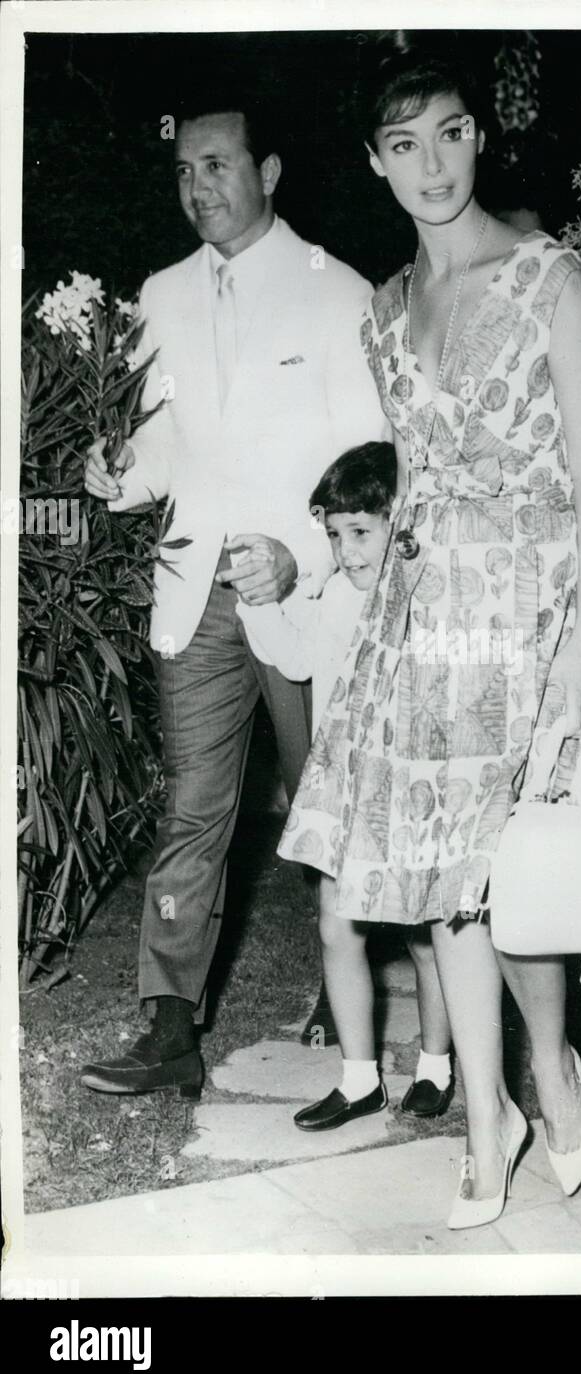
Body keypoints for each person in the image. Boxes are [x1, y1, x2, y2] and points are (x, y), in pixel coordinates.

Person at [277, 44, 581, 1228]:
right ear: (374, 162)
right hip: (429, 623)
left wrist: (578, 667)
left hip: (536, 617)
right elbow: (407, 482)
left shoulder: (550, 277)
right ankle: (487, 1125)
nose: (433, 164)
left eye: (453, 133)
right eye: (404, 144)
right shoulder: (383, 311)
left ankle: (551, 1065)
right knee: (443, 890)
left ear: (481, 135)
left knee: (514, 879)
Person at [80, 91, 388, 1099]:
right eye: (185, 169)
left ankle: (357, 999)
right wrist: (117, 468)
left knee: (323, 801)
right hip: (197, 592)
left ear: (268, 174)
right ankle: (170, 1027)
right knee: (195, 810)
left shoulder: (335, 291)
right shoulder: (160, 294)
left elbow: (371, 463)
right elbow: (165, 440)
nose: (200, 185)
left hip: (305, 600)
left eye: (219, 165)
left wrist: (303, 557)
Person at [249, 441, 455, 1127]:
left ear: (399, 521)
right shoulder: (337, 593)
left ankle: (436, 1064)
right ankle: (360, 1078)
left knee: (427, 932)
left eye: (361, 532)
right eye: (335, 536)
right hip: (346, 785)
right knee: (337, 926)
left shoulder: (432, 593)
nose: (348, 551)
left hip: (413, 785)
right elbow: (295, 659)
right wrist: (260, 602)